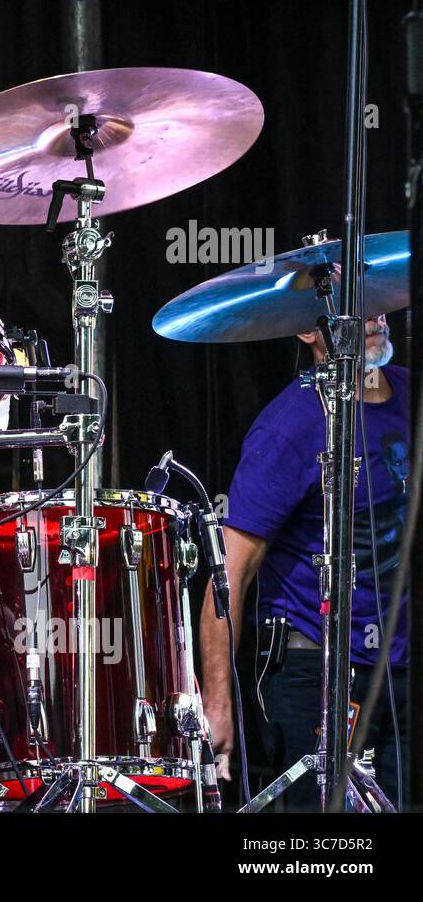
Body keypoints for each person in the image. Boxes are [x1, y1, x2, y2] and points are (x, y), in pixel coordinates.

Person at [200, 314, 410, 809]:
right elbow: (230, 572)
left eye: (379, 303)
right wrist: (218, 702)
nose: (375, 318)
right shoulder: (290, 426)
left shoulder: (408, 395)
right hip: (317, 668)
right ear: (308, 330)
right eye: (356, 306)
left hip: (401, 665)